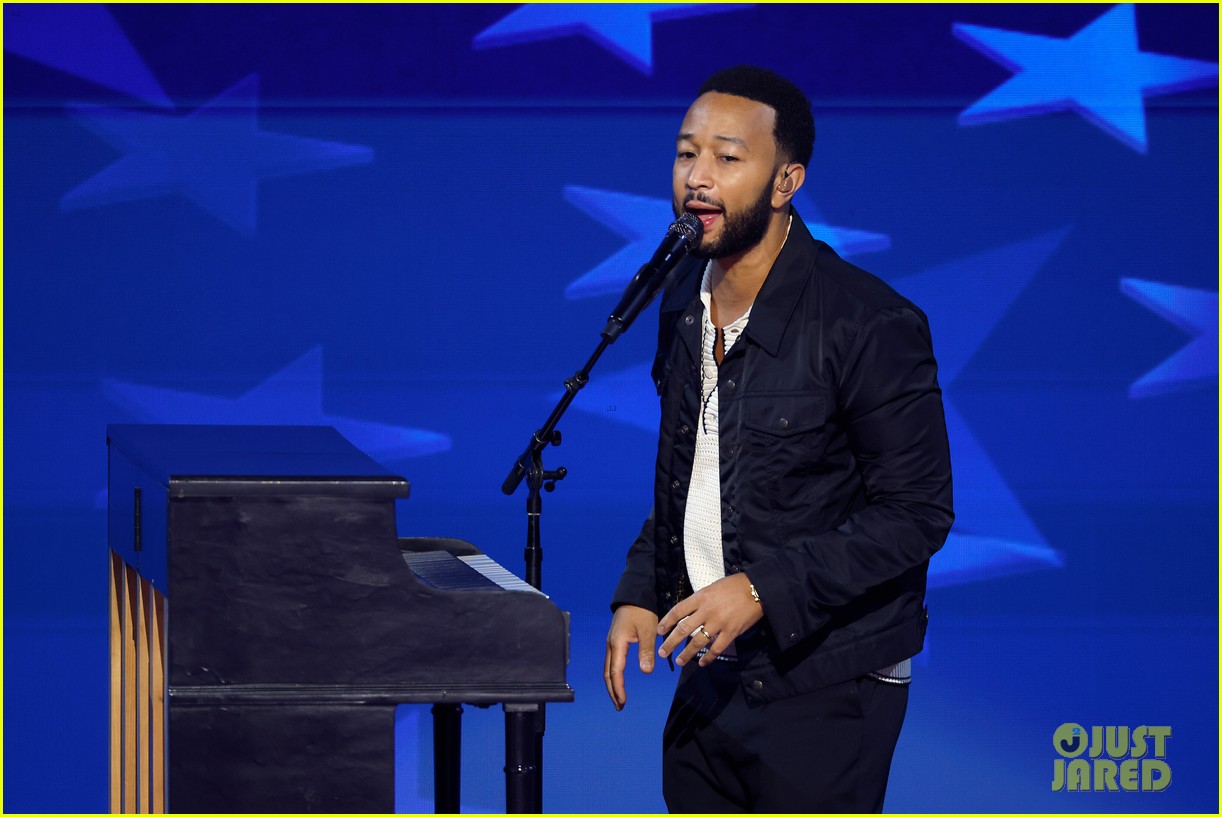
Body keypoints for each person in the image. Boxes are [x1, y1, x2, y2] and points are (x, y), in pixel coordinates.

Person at [603, 65, 954, 812]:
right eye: (685, 153)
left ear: (786, 180)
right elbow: (693, 474)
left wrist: (764, 588)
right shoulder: (679, 304)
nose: (698, 178)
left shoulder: (868, 322)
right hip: (710, 672)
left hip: (826, 680)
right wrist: (642, 586)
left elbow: (917, 513)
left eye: (728, 159)